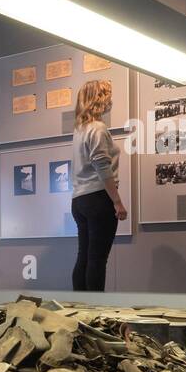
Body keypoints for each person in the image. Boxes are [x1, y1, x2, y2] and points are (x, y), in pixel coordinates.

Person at [70, 79, 128, 292]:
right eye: (108, 95)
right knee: (96, 259)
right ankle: (95, 311)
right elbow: (102, 166)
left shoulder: (80, 130)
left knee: (84, 256)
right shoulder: (98, 129)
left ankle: (81, 310)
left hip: (79, 199)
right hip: (97, 198)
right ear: (101, 99)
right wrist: (117, 202)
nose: (110, 100)